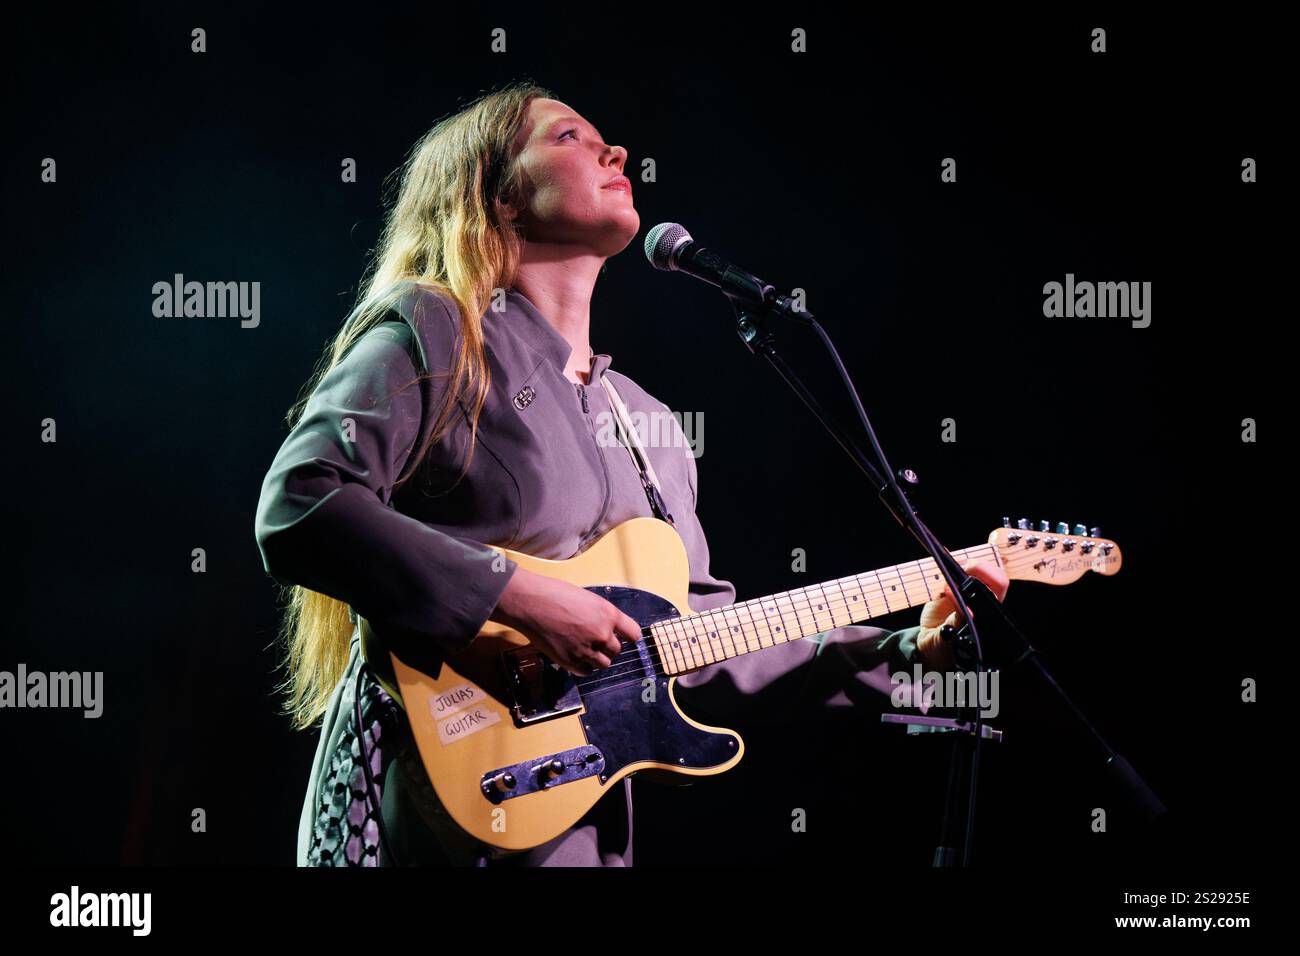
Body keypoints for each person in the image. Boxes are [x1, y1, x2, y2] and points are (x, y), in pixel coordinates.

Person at [253, 81, 1009, 867]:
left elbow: (701, 644)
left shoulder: (648, 422)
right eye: (568, 138)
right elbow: (302, 503)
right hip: (437, 788)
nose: (615, 151)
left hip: (576, 812)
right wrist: (521, 596)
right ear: (498, 196)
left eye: (606, 139)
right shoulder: (438, 329)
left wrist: (909, 654)